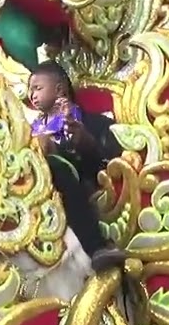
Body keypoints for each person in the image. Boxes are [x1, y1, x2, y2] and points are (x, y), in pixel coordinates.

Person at [26, 60, 126, 273]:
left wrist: (86, 143)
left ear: (60, 88)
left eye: (37, 88)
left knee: (57, 167)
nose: (31, 94)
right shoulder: (31, 130)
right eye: (29, 90)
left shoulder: (95, 123)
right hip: (39, 195)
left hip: (79, 185)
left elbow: (109, 165)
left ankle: (96, 247)